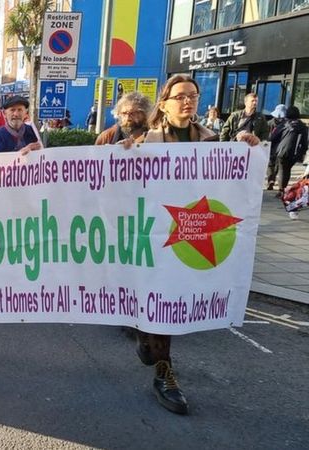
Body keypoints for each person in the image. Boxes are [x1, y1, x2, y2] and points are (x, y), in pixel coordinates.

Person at [130, 74, 260, 415]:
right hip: (151, 237)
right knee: (157, 308)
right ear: (164, 104)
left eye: (193, 95)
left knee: (170, 304)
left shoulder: (212, 141)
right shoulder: (145, 142)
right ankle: (161, 367)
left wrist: (246, 147)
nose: (187, 101)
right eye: (180, 96)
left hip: (188, 235)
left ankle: (153, 351)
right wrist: (122, 155)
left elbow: (230, 181)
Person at [270, 106, 308, 196]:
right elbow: (305, 141)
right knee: (287, 169)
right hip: (295, 152)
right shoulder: (303, 126)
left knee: (282, 169)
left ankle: (281, 190)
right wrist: (303, 152)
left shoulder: (284, 124)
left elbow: (273, 137)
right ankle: (283, 188)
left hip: (282, 150)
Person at [266, 104, 288, 190]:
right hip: (278, 147)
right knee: (275, 164)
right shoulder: (286, 124)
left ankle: (271, 180)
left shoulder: (269, 123)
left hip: (274, 146)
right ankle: (271, 180)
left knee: (272, 164)